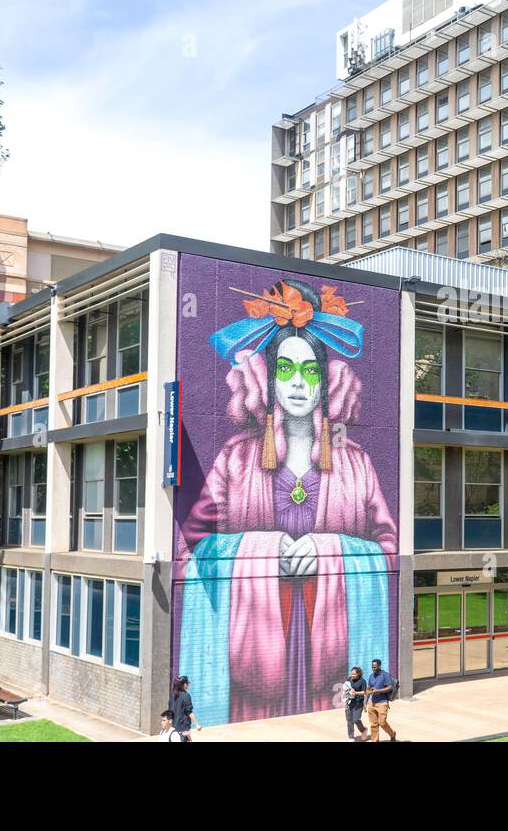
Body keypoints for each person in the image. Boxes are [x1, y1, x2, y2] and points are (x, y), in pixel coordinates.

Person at [178, 279, 395, 725]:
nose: (298, 384)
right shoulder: (234, 459)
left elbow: (390, 554)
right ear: (267, 377)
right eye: (286, 369)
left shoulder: (357, 463)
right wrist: (260, 548)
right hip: (250, 674)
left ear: (327, 379)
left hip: (333, 665)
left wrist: (330, 551)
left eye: (310, 370)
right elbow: (189, 553)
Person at [365, 658, 397, 742]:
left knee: (382, 723)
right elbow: (368, 690)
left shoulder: (384, 675)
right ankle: (375, 740)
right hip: (372, 703)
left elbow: (390, 687)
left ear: (379, 666)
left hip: (382, 703)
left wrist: (377, 691)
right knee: (373, 724)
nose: (373, 669)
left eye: (374, 667)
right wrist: (365, 703)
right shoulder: (371, 676)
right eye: (372, 667)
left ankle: (392, 734)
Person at [170, 676, 201, 741]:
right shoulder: (186, 696)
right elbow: (189, 711)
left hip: (174, 726)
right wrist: (197, 724)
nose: (189, 685)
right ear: (184, 685)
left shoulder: (173, 696)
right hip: (183, 726)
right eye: (188, 683)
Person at [342, 666, 367, 742]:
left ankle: (363, 730)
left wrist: (355, 693)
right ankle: (351, 737)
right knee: (349, 720)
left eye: (354, 674)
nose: (352, 675)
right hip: (349, 702)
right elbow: (345, 687)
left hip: (358, 703)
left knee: (356, 719)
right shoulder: (349, 679)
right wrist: (347, 691)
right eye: (351, 674)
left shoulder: (363, 681)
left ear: (358, 673)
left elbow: (364, 692)